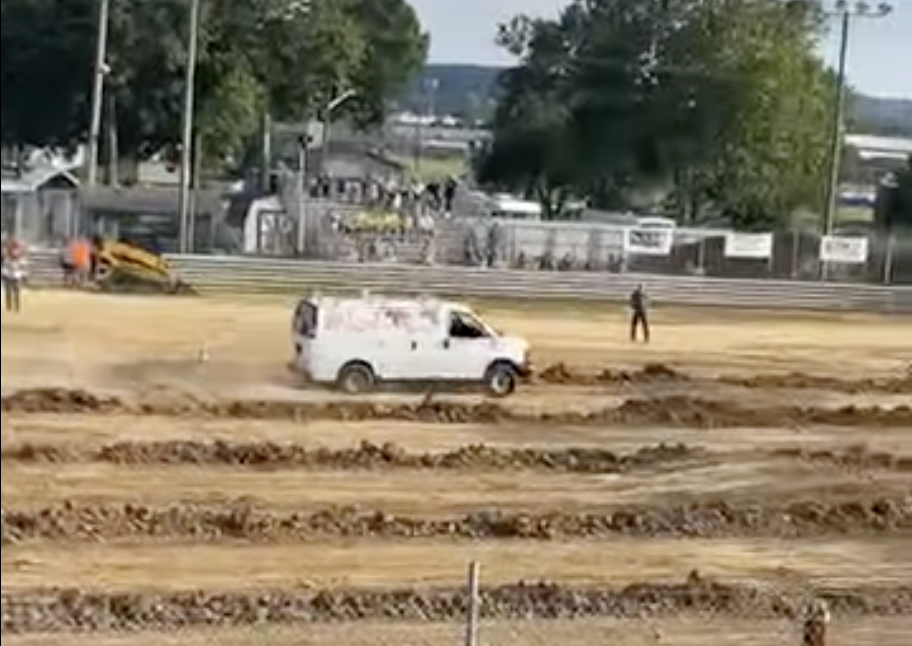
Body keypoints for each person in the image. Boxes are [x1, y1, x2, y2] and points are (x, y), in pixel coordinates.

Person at [2, 238, 27, 312]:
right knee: (8, 292)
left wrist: (23, 275)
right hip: (9, 275)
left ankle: (17, 307)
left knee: (16, 292)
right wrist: (4, 274)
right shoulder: (7, 257)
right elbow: (4, 266)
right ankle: (9, 306)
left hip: (16, 275)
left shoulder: (20, 257)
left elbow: (23, 266)